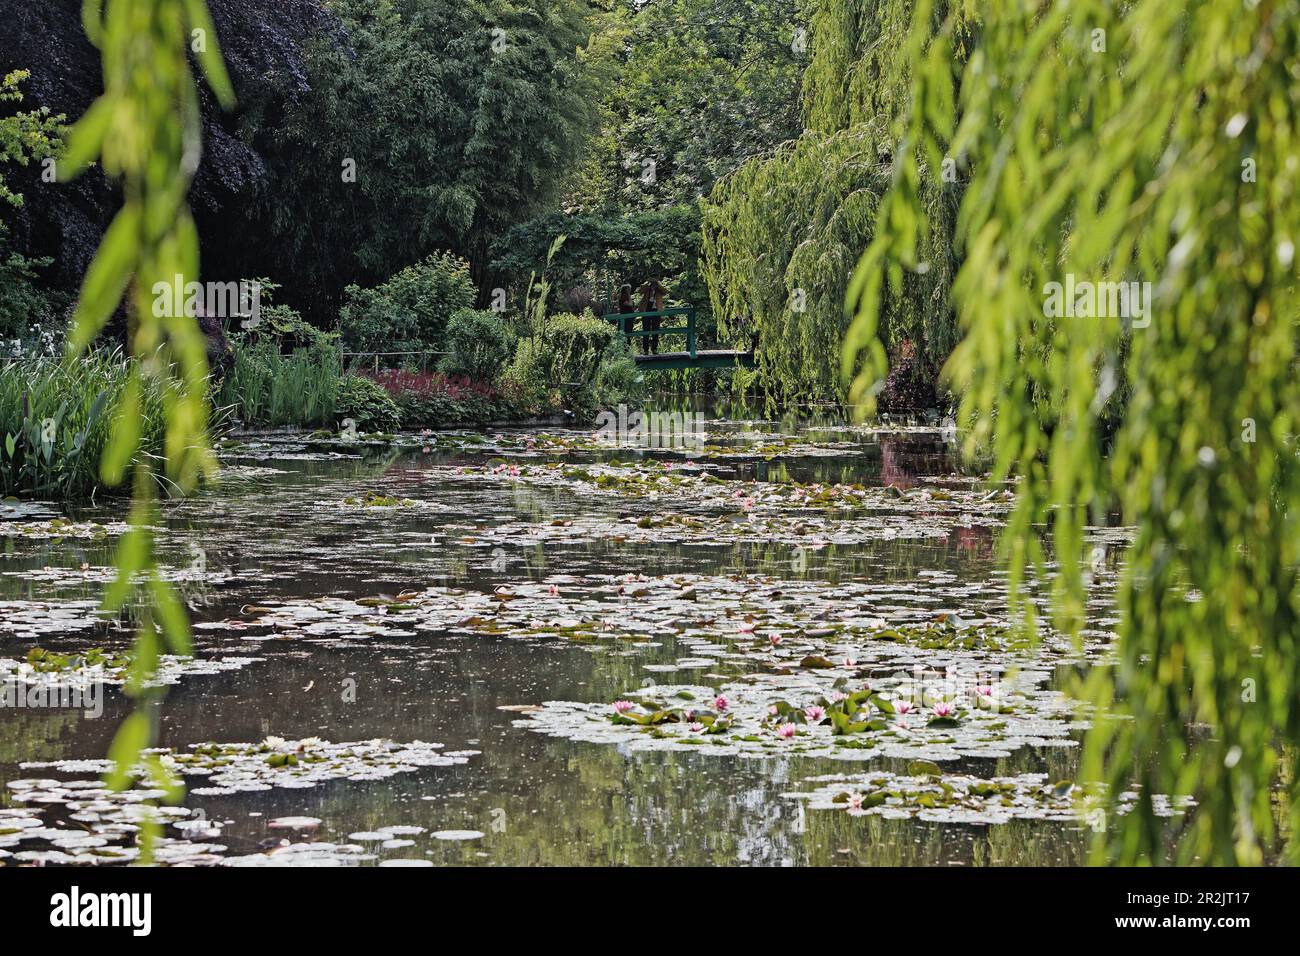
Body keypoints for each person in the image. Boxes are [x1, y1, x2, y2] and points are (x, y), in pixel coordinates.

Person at [638, 278, 666, 354]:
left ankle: (654, 348)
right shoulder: (647, 288)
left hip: (656, 310)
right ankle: (645, 350)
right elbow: (640, 291)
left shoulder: (659, 289)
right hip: (646, 310)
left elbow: (665, 292)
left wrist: (658, 284)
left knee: (655, 330)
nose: (653, 284)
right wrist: (648, 283)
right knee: (646, 330)